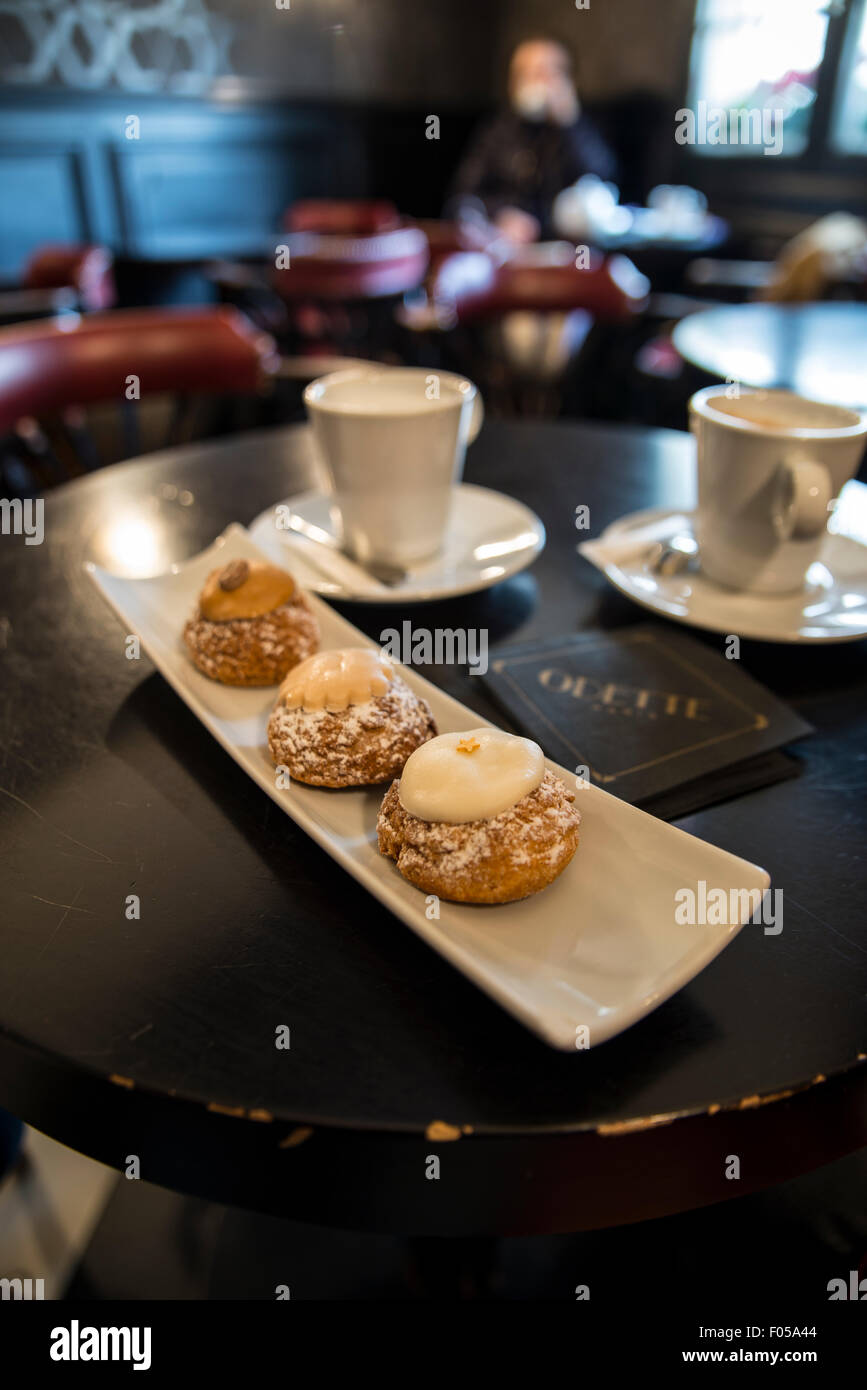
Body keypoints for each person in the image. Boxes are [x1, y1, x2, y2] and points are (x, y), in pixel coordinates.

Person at [447, 38, 617, 244]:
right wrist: (501, 214)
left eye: (545, 74)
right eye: (525, 74)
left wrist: (570, 123)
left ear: (568, 79)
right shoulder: (498, 130)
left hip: (568, 252)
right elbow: (463, 196)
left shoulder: (582, 128)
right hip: (509, 249)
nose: (536, 83)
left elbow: (605, 184)